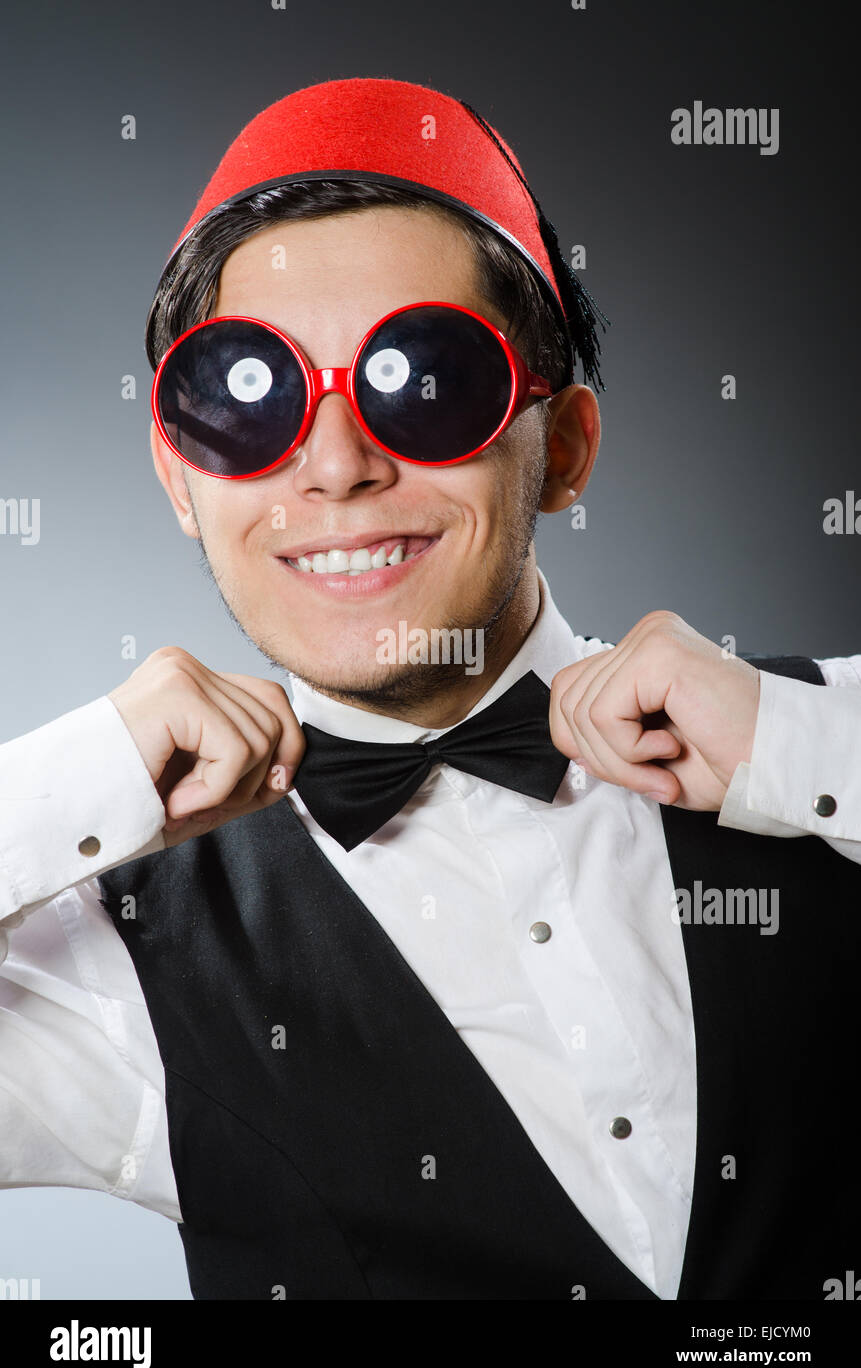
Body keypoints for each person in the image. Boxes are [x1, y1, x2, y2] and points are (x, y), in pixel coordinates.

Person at [1, 76, 859, 1302]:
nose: (339, 465)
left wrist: (798, 746)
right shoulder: (122, 954)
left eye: (428, 381)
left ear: (559, 447)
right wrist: (73, 777)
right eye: (254, 397)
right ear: (183, 476)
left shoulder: (823, 750)